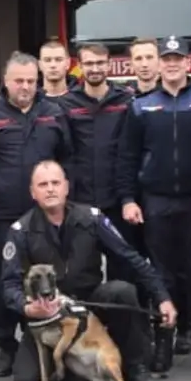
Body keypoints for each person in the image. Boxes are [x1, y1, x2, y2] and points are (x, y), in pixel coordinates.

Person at [0, 160, 176, 381]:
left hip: (89, 307)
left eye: (55, 183)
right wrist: (27, 307)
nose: (50, 189)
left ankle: (135, 366)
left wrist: (162, 297)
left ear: (66, 187)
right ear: (33, 192)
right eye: (43, 184)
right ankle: (72, 368)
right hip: (46, 317)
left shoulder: (91, 218)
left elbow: (131, 258)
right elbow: (8, 284)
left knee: (121, 291)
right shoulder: (21, 231)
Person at [0, 52, 70, 377]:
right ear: (6, 81)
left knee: (45, 281)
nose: (25, 87)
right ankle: (6, 347)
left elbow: (67, 161)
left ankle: (42, 343)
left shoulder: (53, 113)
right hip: (0, 217)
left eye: (31, 81)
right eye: (19, 80)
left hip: (43, 215)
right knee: (4, 282)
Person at [118, 35, 191, 374]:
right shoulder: (141, 106)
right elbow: (127, 157)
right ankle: (163, 342)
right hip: (156, 201)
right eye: (167, 58)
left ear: (188, 62)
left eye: (178, 58)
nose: (172, 63)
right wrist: (129, 199)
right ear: (159, 64)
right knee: (162, 277)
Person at [57, 42, 137, 274]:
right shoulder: (66, 104)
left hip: (116, 202)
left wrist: (128, 198)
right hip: (80, 204)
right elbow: (64, 153)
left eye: (100, 63)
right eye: (89, 63)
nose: (95, 68)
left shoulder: (126, 101)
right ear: (79, 66)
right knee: (81, 274)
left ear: (109, 65)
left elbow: (130, 153)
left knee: (123, 274)